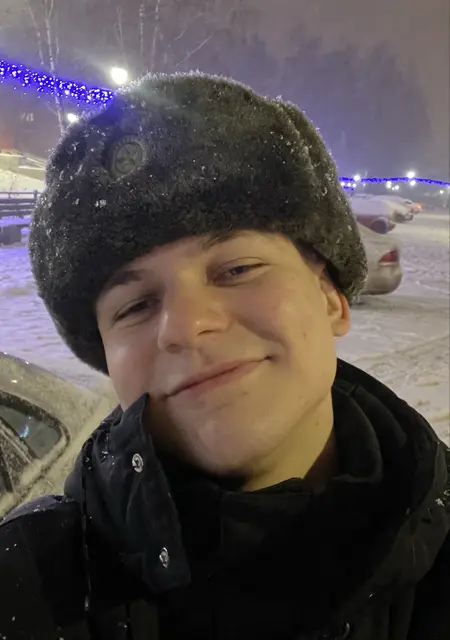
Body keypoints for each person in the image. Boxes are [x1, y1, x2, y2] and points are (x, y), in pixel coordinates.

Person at [0, 72, 449, 640]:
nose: (186, 326)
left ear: (331, 299)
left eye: (237, 269)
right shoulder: (27, 587)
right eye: (136, 305)